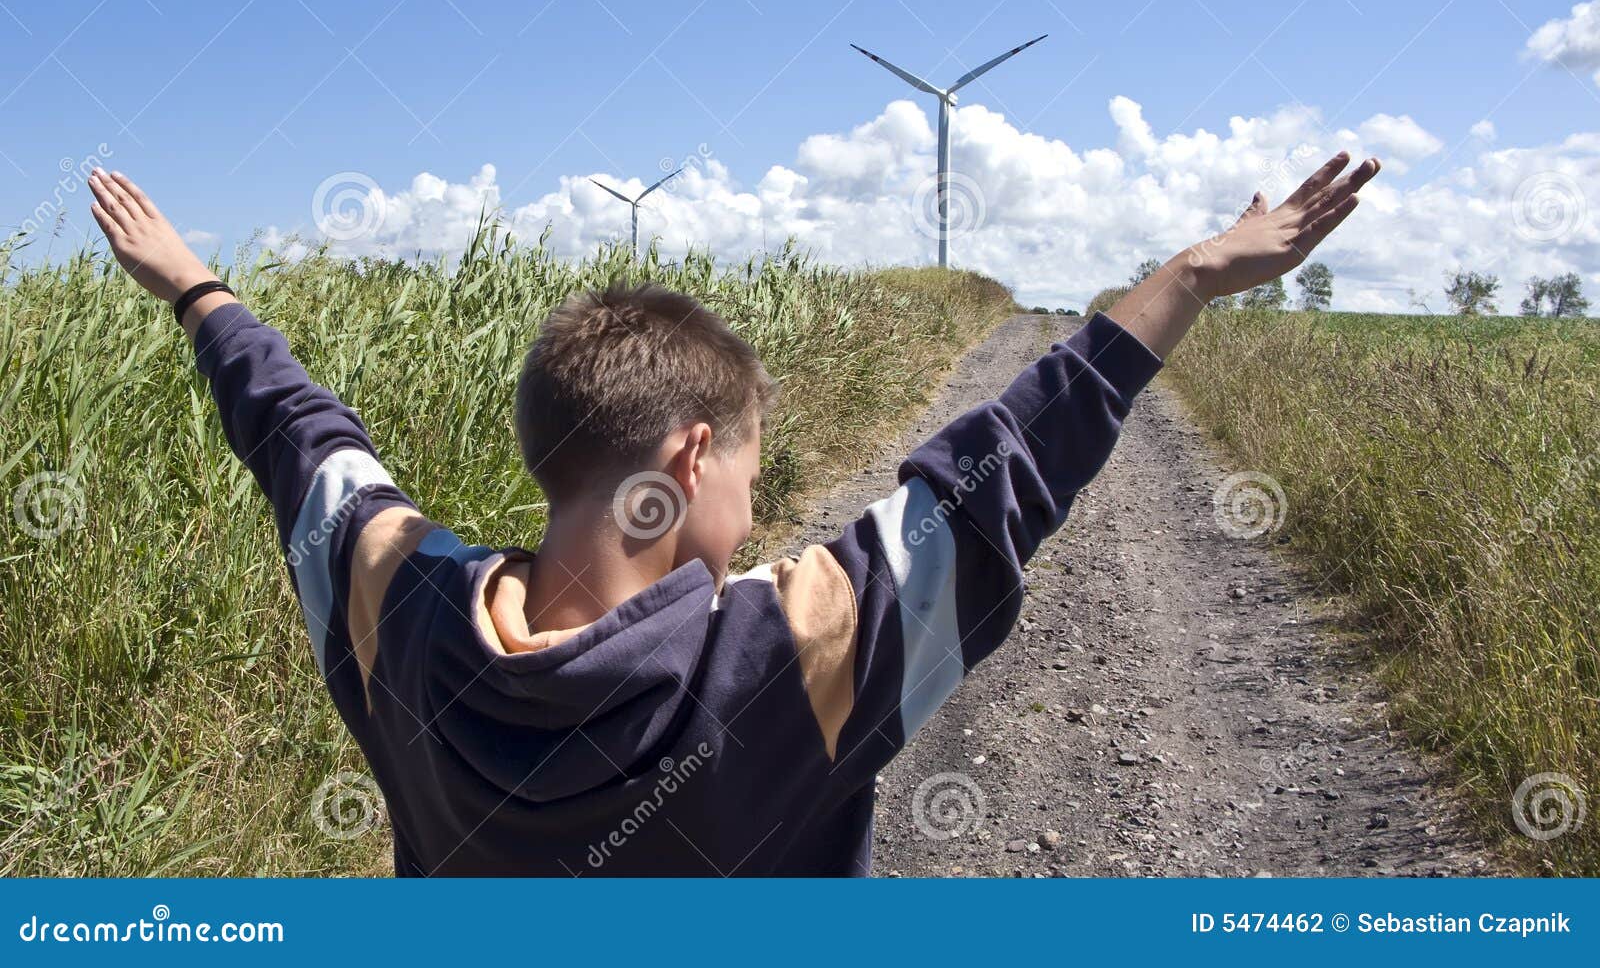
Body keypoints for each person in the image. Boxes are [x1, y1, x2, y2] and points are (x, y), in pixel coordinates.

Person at [85, 152, 1378, 875]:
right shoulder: (774, 666)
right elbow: (999, 479)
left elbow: (306, 446)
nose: (756, 504)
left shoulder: (406, 617)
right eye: (751, 471)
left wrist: (198, 290)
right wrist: (1193, 277)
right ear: (689, 455)